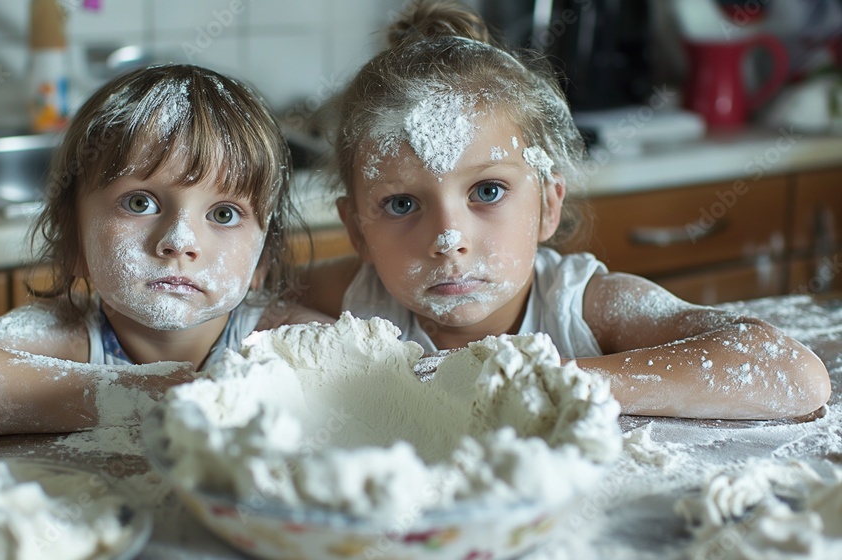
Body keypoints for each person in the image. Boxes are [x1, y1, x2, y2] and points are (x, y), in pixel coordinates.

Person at [300, 0, 831, 420]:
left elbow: (790, 374)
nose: (448, 238)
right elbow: (252, 298)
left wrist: (549, 378)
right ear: (358, 230)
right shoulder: (356, 297)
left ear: (548, 205)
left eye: (486, 191)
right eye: (401, 204)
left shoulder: (583, 306)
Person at [0, 64, 330, 441]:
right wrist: (137, 393)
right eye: (140, 202)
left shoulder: (282, 341)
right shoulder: (70, 338)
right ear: (75, 246)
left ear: (263, 260)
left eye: (225, 214)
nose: (180, 240)